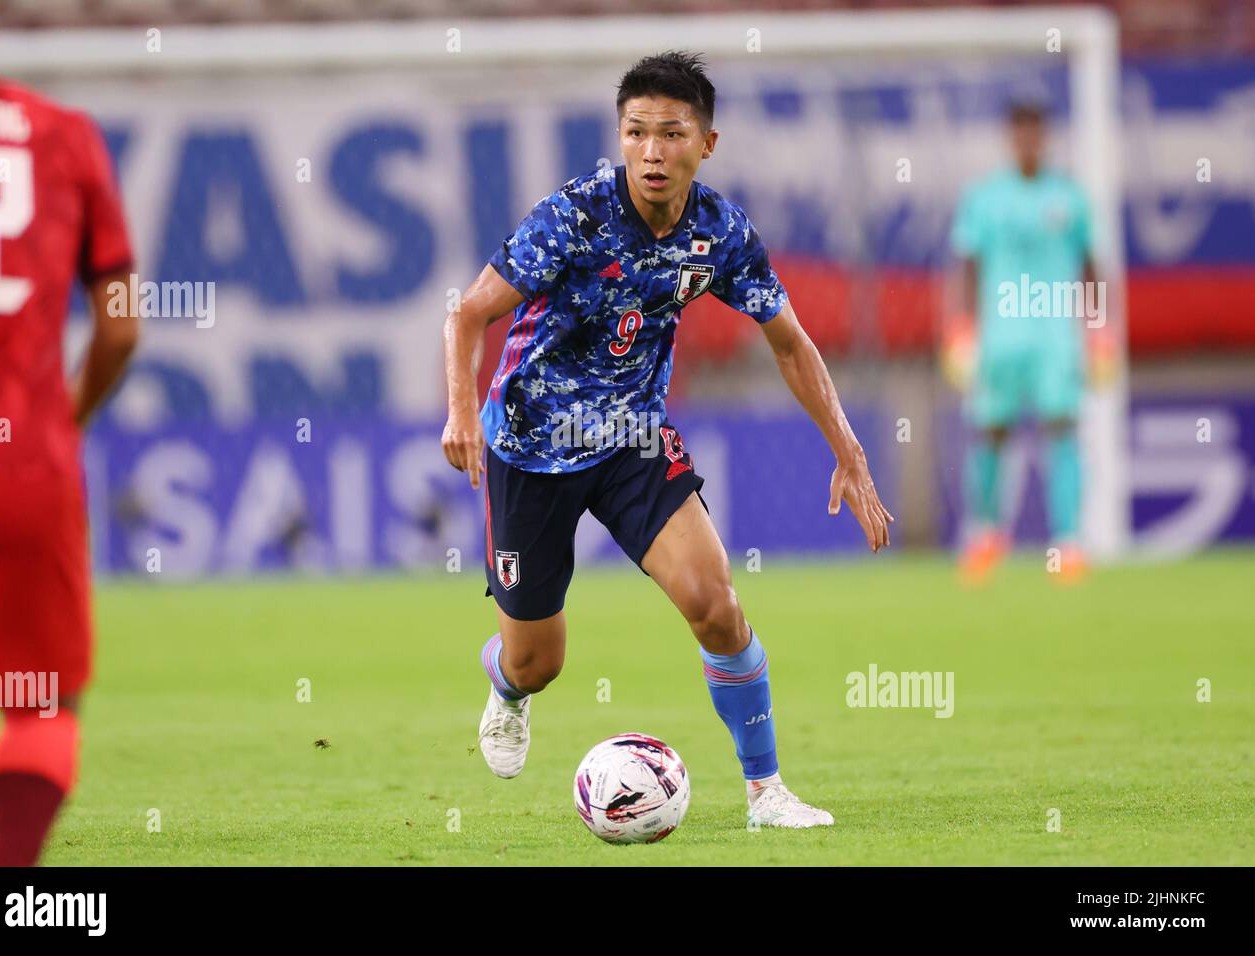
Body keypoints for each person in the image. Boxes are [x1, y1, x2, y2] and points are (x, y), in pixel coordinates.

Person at [442, 51, 892, 828]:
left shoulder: (719, 232)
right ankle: (506, 684)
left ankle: (766, 792)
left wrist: (848, 451)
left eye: (672, 134)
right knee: (538, 661)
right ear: (620, 138)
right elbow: (467, 313)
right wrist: (459, 413)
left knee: (716, 603)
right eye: (636, 133)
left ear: (706, 144)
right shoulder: (573, 218)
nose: (652, 151)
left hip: (632, 441)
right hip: (529, 448)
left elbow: (790, 343)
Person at [0, 0, 138, 864]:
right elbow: (122, 324)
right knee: (37, 707)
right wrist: (56, 426)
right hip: (15, 463)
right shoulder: (61, 135)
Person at [948, 100, 1106, 584]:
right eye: (1020, 132)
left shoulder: (1070, 197)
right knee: (992, 432)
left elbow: (1088, 265)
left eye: (1035, 132)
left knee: (1062, 429)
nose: (1028, 141)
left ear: (1045, 136)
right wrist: (963, 328)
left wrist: (1098, 329)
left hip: (1057, 336)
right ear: (1010, 137)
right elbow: (969, 265)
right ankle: (986, 536)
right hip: (1001, 337)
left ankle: (1069, 543)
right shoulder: (985, 197)